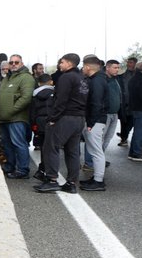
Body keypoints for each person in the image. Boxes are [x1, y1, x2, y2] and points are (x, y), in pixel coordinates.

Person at [35, 53, 86, 194]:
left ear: (69, 63)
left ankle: (51, 180)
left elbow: (60, 101)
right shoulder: (82, 78)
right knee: (73, 151)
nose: (60, 65)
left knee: (51, 147)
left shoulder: (66, 77)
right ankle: (71, 183)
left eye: (62, 62)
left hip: (65, 117)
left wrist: (53, 118)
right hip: (79, 118)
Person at [0, 54, 34, 179]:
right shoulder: (8, 77)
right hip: (4, 118)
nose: (13, 64)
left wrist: (11, 110)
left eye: (16, 62)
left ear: (21, 63)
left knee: (19, 143)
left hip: (16, 118)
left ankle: (23, 170)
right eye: (11, 62)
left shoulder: (26, 78)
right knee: (7, 144)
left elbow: (26, 98)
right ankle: (10, 165)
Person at [80, 56, 109, 191]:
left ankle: (98, 181)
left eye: (83, 66)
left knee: (96, 151)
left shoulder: (97, 81)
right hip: (95, 120)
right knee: (93, 150)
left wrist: (90, 122)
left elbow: (96, 103)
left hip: (95, 120)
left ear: (88, 67)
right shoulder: (97, 79)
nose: (82, 68)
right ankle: (97, 178)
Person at [29, 73, 56, 182]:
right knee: (52, 149)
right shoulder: (56, 94)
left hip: (39, 123)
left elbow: (32, 113)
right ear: (51, 82)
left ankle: (42, 169)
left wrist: (33, 125)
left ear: (39, 83)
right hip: (52, 123)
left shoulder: (35, 95)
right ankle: (48, 172)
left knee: (43, 148)